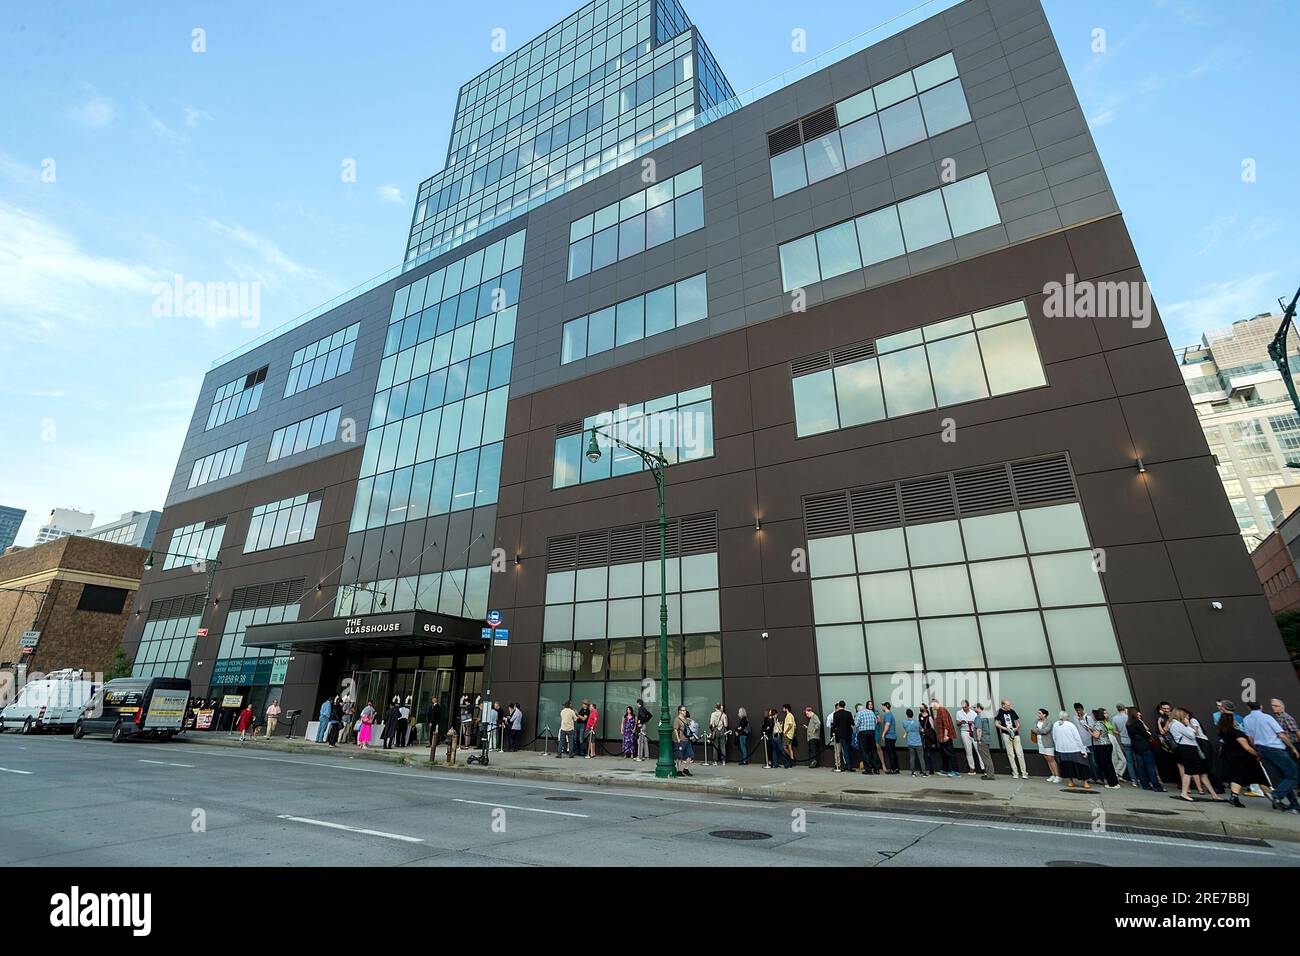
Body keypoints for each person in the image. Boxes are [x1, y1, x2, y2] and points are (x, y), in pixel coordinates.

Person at [1244, 700, 1300, 812]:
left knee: (1282, 778)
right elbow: (1281, 734)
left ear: (1249, 708)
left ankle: (1294, 805)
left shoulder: (1247, 719)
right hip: (1275, 748)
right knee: (1293, 774)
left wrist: (1258, 750)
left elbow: (1250, 739)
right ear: (1261, 706)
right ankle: (1276, 795)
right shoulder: (1267, 718)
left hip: (1261, 749)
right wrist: (1293, 748)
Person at [1217, 711, 1271, 808]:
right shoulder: (1236, 733)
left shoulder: (1224, 733)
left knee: (1237, 777)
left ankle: (1234, 796)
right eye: (1234, 719)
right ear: (1231, 721)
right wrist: (1258, 754)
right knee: (1260, 778)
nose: (1235, 721)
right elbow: (1247, 747)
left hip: (1232, 759)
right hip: (1245, 759)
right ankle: (1274, 799)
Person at [1169, 707, 1220, 802]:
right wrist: (1188, 725)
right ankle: (1185, 793)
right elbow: (1192, 735)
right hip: (1187, 748)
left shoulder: (1175, 724)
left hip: (1189, 748)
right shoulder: (1177, 724)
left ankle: (1214, 794)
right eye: (1185, 715)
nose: (1187, 717)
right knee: (1190, 772)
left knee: (1199, 772)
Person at [1125, 708, 1163, 791]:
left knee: (1140, 766)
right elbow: (1145, 733)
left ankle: (1145, 784)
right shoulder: (1138, 722)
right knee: (1150, 766)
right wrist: (1148, 734)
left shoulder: (1128, 724)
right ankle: (1156, 785)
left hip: (1135, 746)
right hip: (1144, 745)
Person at [1051, 711, 1090, 789]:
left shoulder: (1056, 724)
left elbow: (1054, 737)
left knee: (1067, 766)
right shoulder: (1070, 725)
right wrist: (1083, 750)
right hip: (1074, 749)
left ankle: (1070, 781)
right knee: (1082, 765)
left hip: (1061, 749)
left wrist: (1057, 747)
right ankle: (1085, 782)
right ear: (1067, 717)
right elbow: (1077, 738)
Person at [995, 699, 1028, 779]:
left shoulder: (1012, 711)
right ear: (1003, 705)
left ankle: (1024, 772)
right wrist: (1006, 729)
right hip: (1006, 734)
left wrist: (1016, 728)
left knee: (1019, 753)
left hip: (1015, 734)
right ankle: (1015, 772)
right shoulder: (999, 712)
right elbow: (996, 724)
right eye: (1008, 705)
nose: (1010, 706)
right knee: (1011, 754)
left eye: (1010, 705)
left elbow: (1017, 722)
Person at [1090, 708, 1120, 788]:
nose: (1092, 716)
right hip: (1107, 745)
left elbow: (1096, 736)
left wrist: (1089, 731)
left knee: (1106, 765)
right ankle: (1114, 782)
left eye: (1093, 715)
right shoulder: (1102, 723)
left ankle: (1112, 783)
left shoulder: (1097, 724)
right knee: (1108, 764)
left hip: (1102, 746)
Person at [1073, 702, 1101, 783]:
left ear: (1083, 709)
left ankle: (1098, 777)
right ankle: (1091, 777)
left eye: (1079, 710)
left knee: (1093, 761)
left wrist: (1082, 721)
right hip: (1081, 743)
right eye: (1076, 710)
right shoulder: (1075, 718)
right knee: (1086, 761)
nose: (1078, 712)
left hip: (1090, 741)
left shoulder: (1088, 718)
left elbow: (1092, 728)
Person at [932, 699, 959, 777]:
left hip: (945, 737)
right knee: (944, 754)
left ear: (935, 703)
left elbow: (946, 724)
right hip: (941, 737)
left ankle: (955, 771)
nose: (931, 706)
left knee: (950, 753)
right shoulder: (938, 712)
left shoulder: (942, 710)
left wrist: (946, 736)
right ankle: (945, 770)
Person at [955, 699, 983, 776]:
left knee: (978, 749)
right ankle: (972, 768)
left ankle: (983, 768)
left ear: (968, 705)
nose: (965, 708)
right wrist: (961, 722)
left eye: (966, 707)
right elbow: (957, 723)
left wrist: (972, 722)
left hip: (974, 732)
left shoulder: (973, 713)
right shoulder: (959, 713)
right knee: (968, 750)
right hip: (964, 732)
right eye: (963, 707)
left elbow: (978, 723)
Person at [1031, 709, 1059, 783]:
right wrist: (1039, 730)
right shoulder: (1036, 721)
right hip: (1040, 743)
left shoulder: (1048, 722)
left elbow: (1046, 731)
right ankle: (1052, 775)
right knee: (1047, 758)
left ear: (1044, 715)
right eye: (1038, 713)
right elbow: (1033, 729)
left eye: (1040, 713)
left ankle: (1057, 776)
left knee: (1051, 758)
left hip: (1048, 742)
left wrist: (1037, 730)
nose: (1038, 715)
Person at [972, 703, 996, 780]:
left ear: (978, 708)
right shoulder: (984, 715)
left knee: (986, 757)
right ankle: (989, 774)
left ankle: (990, 775)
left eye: (974, 707)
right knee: (987, 757)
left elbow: (979, 729)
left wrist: (979, 740)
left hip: (982, 740)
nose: (974, 709)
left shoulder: (979, 717)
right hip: (986, 739)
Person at [854, 700, 878, 775]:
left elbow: (856, 724)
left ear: (858, 710)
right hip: (872, 732)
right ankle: (876, 768)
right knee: (873, 750)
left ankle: (868, 769)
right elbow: (876, 722)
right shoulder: (871, 712)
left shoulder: (859, 714)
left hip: (863, 733)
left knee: (864, 751)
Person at [830, 701, 855, 773]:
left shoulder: (836, 714)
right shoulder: (848, 713)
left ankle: (848, 766)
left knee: (845, 750)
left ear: (839, 706)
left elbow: (835, 725)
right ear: (844, 706)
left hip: (841, 734)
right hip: (849, 733)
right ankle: (850, 765)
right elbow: (852, 723)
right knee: (849, 749)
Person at [901, 708, 926, 776]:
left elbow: (906, 729)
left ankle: (913, 772)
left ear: (907, 715)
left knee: (912, 757)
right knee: (921, 758)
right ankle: (924, 773)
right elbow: (921, 730)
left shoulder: (904, 722)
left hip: (910, 742)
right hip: (918, 742)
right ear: (913, 714)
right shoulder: (917, 722)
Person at [1113, 704, 1132, 784]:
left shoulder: (1115, 718)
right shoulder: (1129, 717)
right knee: (1137, 760)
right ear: (1124, 708)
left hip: (1123, 740)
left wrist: (1120, 733)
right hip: (1133, 739)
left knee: (1129, 760)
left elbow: (1114, 730)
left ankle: (1133, 779)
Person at [672, 705, 694, 776]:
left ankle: (685, 769)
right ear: (680, 711)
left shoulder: (686, 719)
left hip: (687, 740)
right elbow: (675, 729)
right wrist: (678, 738)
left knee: (690, 755)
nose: (685, 712)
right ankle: (679, 770)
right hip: (680, 740)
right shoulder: (677, 719)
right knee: (679, 756)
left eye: (685, 710)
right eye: (683, 710)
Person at [918, 704, 938, 775]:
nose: (920, 709)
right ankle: (923, 769)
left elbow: (933, 728)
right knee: (921, 754)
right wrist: (920, 729)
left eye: (922, 707)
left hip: (927, 738)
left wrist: (925, 731)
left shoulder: (929, 717)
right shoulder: (919, 716)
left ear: (926, 708)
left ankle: (931, 769)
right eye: (920, 708)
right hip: (921, 736)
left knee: (928, 754)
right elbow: (919, 724)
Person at [879, 702, 899, 774]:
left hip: (889, 737)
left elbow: (887, 725)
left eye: (883, 706)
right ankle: (896, 768)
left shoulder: (887, 715)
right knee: (893, 752)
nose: (882, 708)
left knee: (890, 753)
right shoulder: (891, 714)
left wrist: (883, 734)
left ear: (885, 707)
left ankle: (893, 769)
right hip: (893, 736)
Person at [781, 704, 797, 770]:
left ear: (786, 709)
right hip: (791, 735)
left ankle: (791, 758)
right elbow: (795, 726)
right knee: (790, 747)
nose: (783, 709)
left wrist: (786, 732)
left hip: (787, 735)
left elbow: (790, 725)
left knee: (784, 747)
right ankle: (792, 760)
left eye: (783, 708)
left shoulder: (789, 715)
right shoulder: (791, 715)